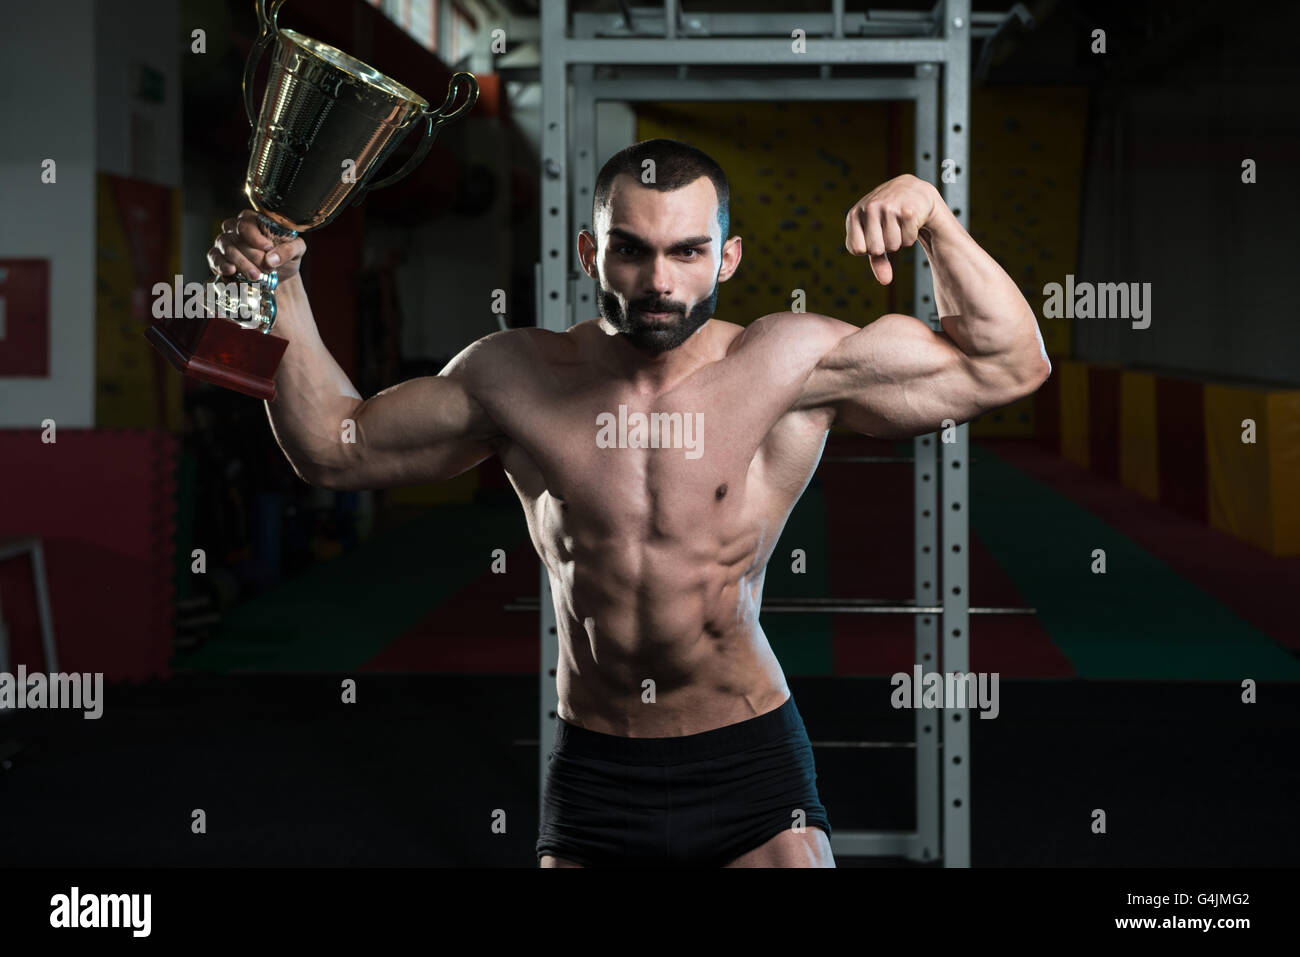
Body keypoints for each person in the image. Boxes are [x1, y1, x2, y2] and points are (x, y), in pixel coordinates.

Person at [207, 138, 1051, 868]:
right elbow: (330, 443)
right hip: (597, 766)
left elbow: (1008, 365)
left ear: (728, 259)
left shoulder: (792, 364)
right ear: (589, 254)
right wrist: (278, 281)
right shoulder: (516, 378)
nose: (659, 281)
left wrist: (934, 218)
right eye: (632, 250)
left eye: (688, 251)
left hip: (748, 756)